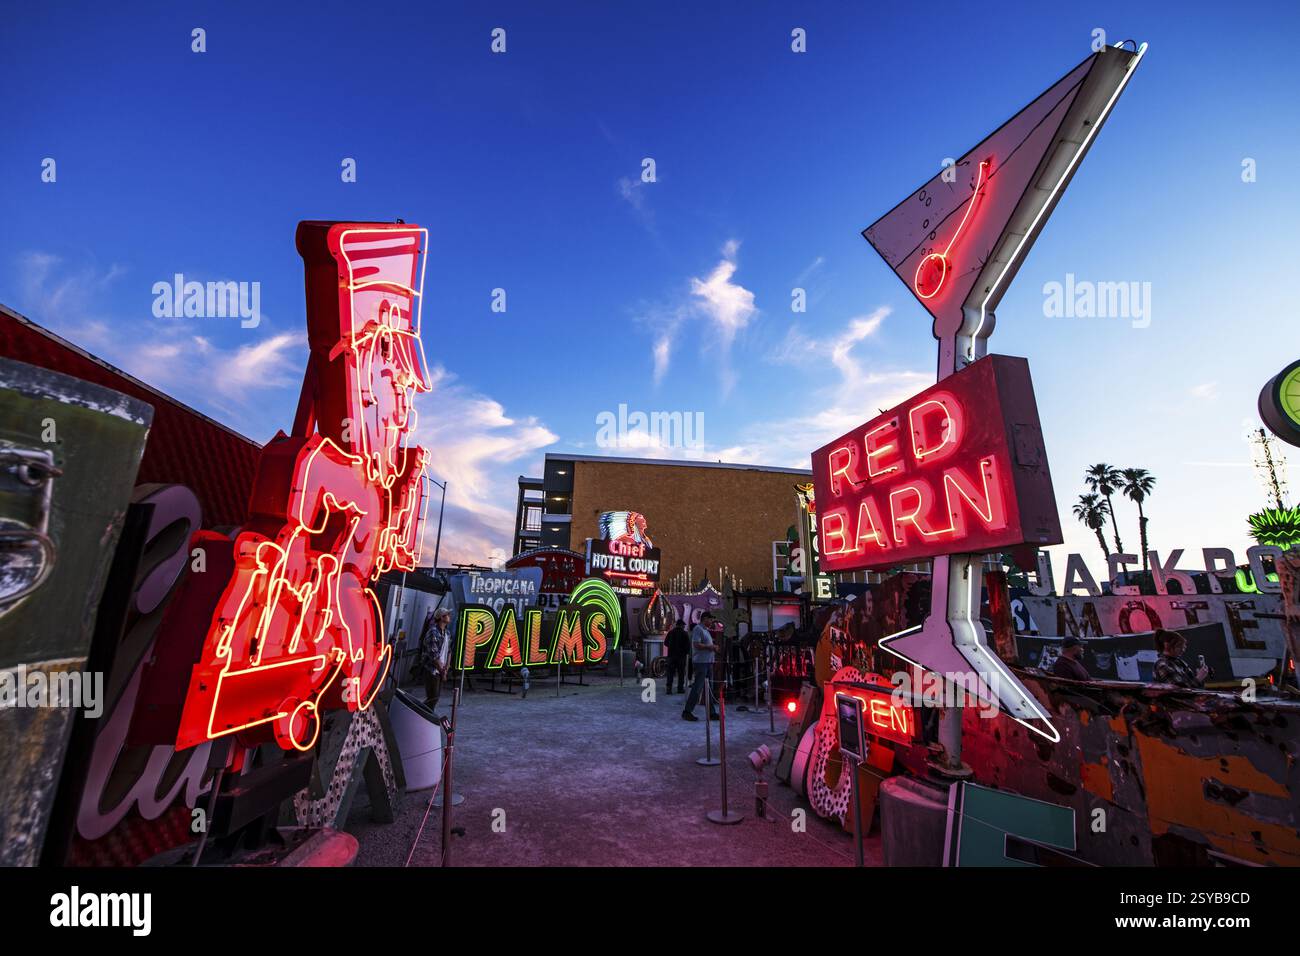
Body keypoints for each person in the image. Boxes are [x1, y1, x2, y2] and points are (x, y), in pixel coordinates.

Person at [682, 611, 719, 721]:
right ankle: (687, 711)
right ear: (705, 619)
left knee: (709, 689)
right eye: (711, 619)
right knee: (697, 688)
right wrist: (711, 647)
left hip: (707, 662)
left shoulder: (705, 630)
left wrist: (712, 648)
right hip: (701, 663)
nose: (712, 621)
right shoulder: (698, 629)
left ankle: (711, 712)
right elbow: (696, 644)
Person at [420, 607, 453, 710]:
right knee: (433, 697)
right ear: (441, 617)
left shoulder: (447, 633)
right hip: (432, 669)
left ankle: (426, 715)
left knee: (435, 697)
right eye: (447, 614)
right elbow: (433, 655)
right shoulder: (433, 632)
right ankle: (422, 714)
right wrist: (442, 671)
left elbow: (448, 651)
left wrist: (446, 667)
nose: (449, 616)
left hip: (441, 669)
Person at [664, 618, 689, 695]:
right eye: (683, 625)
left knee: (670, 672)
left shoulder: (671, 632)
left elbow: (665, 643)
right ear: (681, 625)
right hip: (681, 657)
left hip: (671, 656)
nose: (684, 627)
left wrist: (671, 647)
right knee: (681, 673)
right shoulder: (685, 634)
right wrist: (685, 652)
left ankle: (669, 689)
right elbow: (687, 646)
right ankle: (680, 688)